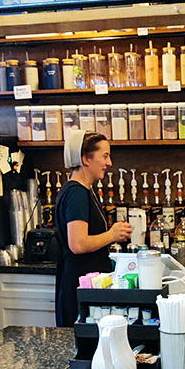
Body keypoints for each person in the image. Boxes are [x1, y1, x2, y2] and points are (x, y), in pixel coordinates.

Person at [54, 129, 132, 327]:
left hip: (85, 285)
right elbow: (78, 244)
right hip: (80, 287)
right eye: (104, 156)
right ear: (85, 159)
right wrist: (112, 235)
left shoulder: (85, 191)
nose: (109, 163)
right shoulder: (76, 194)